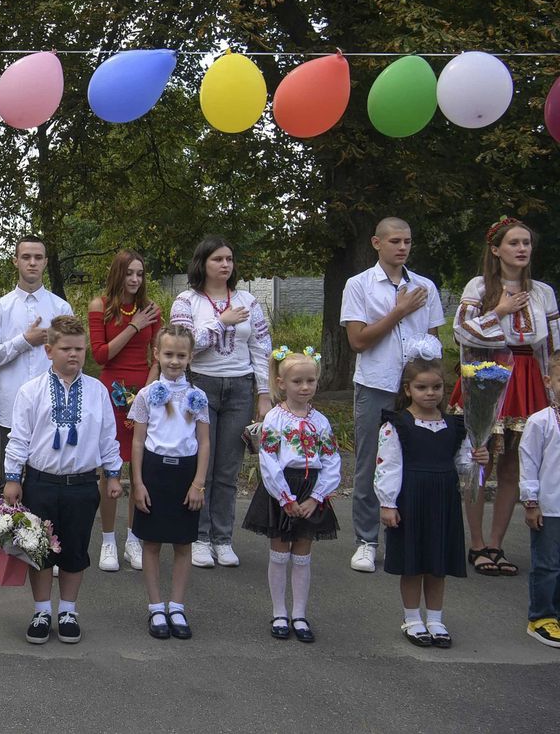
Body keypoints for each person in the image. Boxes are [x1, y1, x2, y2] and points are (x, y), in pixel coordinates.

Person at [2, 315, 122, 645]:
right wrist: (12, 478)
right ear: (49, 350)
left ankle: (68, 610)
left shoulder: (97, 391)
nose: (74, 355)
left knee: (74, 550)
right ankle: (41, 610)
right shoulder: (31, 391)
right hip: (40, 483)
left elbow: (108, 438)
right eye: (66, 348)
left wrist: (113, 474)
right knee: (38, 550)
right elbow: (19, 438)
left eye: (80, 349)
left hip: (82, 485)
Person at [452, 217, 557, 578]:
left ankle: (497, 544)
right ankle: (477, 544)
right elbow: (462, 332)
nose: (522, 249)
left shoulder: (543, 292)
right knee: (481, 459)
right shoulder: (480, 287)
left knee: (515, 462)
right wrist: (499, 311)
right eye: (514, 243)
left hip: (528, 379)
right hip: (489, 374)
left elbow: (553, 346)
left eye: (526, 242)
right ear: (496, 249)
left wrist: (552, 387)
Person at [341, 217, 444, 573]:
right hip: (375, 383)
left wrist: (430, 384)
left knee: (417, 461)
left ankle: (410, 537)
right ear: (376, 243)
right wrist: (398, 312)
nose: (402, 247)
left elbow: (432, 344)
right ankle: (366, 541)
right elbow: (357, 341)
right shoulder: (359, 285)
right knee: (371, 463)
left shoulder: (425, 287)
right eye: (395, 241)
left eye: (408, 242)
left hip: (416, 389)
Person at [170, 236, 272, 569]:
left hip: (240, 387)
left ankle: (222, 538)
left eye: (229, 259)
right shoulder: (186, 301)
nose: (225, 265)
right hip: (200, 385)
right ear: (203, 263)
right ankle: (199, 537)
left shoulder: (248, 300)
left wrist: (265, 393)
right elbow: (185, 346)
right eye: (217, 259)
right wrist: (221, 322)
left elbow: (260, 347)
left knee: (229, 468)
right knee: (203, 465)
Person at [374, 342, 484, 648]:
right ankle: (412, 618)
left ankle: (435, 619)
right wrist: (387, 503)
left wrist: (478, 458)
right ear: (408, 389)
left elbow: (462, 464)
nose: (430, 393)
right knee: (413, 561)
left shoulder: (455, 425)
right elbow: (388, 465)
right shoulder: (397, 424)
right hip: (411, 498)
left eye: (437, 387)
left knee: (438, 561)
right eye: (422, 387)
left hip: (443, 499)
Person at [241, 346, 341, 644]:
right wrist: (284, 497)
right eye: (298, 381)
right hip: (283, 489)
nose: (305, 387)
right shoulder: (274, 418)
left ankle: (299, 613)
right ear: (282, 383)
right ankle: (279, 612)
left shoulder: (320, 422)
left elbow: (332, 459)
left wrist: (316, 497)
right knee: (280, 552)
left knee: (302, 555)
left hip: (311, 491)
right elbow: (269, 459)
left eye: (310, 381)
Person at [129, 324, 211, 640]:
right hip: (154, 472)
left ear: (190, 357)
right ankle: (155, 607)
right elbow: (137, 442)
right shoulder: (147, 395)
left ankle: (177, 605)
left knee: (182, 543)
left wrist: (198, 483)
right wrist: (137, 483)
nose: (174, 361)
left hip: (185, 474)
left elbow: (204, 442)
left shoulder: (197, 396)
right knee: (151, 543)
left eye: (180, 355)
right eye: (168, 354)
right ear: (157, 355)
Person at [0, 236, 73, 496]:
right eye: (26, 257)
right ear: (16, 261)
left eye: (37, 258)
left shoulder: (60, 307)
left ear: (45, 262)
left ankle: (46, 537)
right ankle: (9, 537)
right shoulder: (1, 308)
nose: (32, 263)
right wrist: (25, 340)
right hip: (11, 411)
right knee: (8, 486)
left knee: (47, 485)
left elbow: (72, 359)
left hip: (51, 409)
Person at [88, 249, 160, 571]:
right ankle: (107, 542)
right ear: (118, 273)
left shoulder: (152, 309)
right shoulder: (99, 306)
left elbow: (158, 356)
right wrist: (133, 326)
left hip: (142, 392)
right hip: (110, 393)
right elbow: (101, 355)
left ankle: (133, 539)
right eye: (129, 273)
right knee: (110, 470)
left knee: (138, 468)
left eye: (140, 274)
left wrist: (146, 392)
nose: (135, 279)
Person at [519, 355, 560, 648]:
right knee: (548, 564)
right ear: (549, 382)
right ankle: (541, 617)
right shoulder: (540, 421)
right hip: (550, 506)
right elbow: (529, 463)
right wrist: (531, 502)